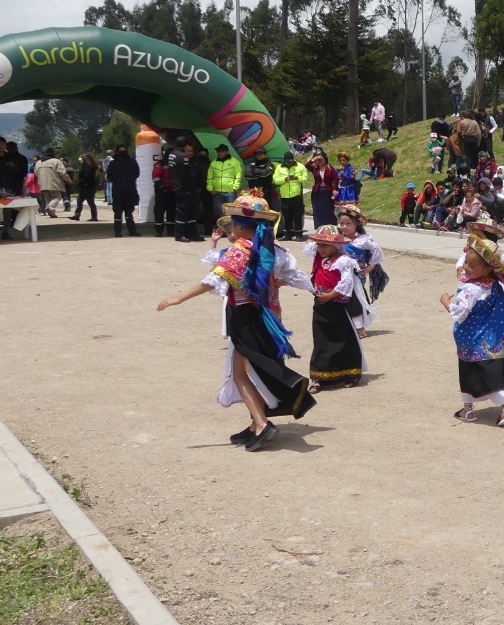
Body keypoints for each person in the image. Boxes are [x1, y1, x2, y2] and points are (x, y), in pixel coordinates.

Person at [155, 190, 316, 452]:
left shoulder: (237, 252)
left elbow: (212, 281)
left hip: (245, 317)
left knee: (239, 373)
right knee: (252, 370)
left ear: (239, 226)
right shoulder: (273, 250)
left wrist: (179, 298)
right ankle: (255, 423)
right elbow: (294, 276)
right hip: (269, 316)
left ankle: (262, 423)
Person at [443, 235, 504, 426]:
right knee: (497, 371)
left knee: (467, 371)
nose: (466, 268)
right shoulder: (496, 286)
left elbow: (460, 313)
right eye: (466, 262)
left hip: (471, 339)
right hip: (492, 340)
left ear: (488, 269)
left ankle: (468, 409)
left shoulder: (470, 289)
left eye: (472, 266)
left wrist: (446, 302)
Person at [303, 224, 364, 391]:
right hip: (321, 306)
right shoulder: (320, 258)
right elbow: (309, 248)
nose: (320, 249)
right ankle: (318, 377)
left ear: (336, 245)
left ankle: (351, 373)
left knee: (343, 339)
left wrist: (329, 296)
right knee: (321, 340)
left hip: (337, 307)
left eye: (324, 245)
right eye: (319, 245)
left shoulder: (344, 261)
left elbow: (346, 282)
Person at [336, 204, 386, 338]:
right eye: (341, 223)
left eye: (348, 223)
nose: (344, 226)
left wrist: (370, 266)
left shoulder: (362, 240)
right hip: (339, 275)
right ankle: (345, 326)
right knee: (340, 299)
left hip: (355, 276)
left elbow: (377, 250)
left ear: (356, 225)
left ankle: (359, 327)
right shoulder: (337, 238)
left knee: (354, 300)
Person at [168, 140, 204, 243]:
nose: (189, 153)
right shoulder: (182, 157)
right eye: (187, 150)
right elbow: (185, 175)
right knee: (182, 212)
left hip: (191, 190)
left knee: (192, 213)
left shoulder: (174, 155)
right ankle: (179, 234)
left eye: (191, 151)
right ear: (183, 148)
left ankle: (192, 234)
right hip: (184, 189)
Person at [272, 151, 311, 241]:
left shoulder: (300, 166)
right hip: (285, 196)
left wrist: (297, 178)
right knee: (287, 216)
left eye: (290, 161)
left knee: (297, 215)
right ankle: (288, 235)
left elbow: (306, 179)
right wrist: (285, 179)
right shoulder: (279, 168)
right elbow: (275, 180)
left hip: (296, 195)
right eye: (287, 161)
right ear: (284, 161)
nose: (289, 163)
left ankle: (298, 234)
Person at [106, 145, 141, 237]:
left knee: (118, 211)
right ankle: (132, 230)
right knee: (128, 211)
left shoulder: (113, 164)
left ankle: (118, 232)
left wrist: (118, 180)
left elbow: (109, 176)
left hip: (118, 189)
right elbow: (137, 174)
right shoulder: (132, 162)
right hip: (130, 188)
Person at [207, 144, 243, 222]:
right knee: (220, 211)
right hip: (217, 192)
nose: (219, 153)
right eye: (218, 151)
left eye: (222, 151)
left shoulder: (235, 162)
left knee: (231, 211)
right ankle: (223, 229)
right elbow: (209, 176)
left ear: (227, 152)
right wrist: (210, 188)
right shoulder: (214, 163)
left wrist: (234, 188)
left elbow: (238, 175)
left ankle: (231, 229)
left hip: (229, 191)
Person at [306, 150, 338, 228]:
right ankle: (319, 227)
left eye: (321, 160)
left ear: (325, 160)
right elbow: (307, 165)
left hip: (327, 191)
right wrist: (314, 158)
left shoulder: (330, 167)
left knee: (328, 210)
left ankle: (330, 226)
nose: (320, 162)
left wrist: (334, 189)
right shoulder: (315, 168)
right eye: (318, 160)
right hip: (317, 192)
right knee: (318, 210)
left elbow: (336, 179)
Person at [35, 151, 70, 219]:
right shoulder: (56, 161)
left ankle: (52, 213)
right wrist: (68, 180)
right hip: (54, 183)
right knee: (57, 197)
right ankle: (50, 208)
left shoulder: (39, 162)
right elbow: (62, 172)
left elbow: (36, 173)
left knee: (48, 198)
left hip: (42, 184)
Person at [69, 152, 100, 221]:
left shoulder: (88, 166)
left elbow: (87, 175)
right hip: (86, 186)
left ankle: (94, 217)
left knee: (90, 202)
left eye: (81, 157)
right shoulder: (86, 165)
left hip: (88, 186)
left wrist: (81, 182)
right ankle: (77, 215)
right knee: (79, 200)